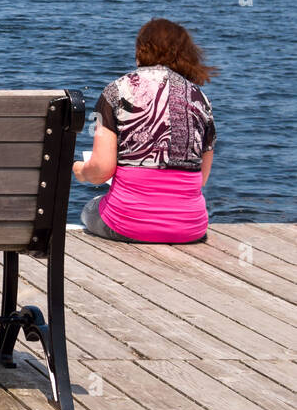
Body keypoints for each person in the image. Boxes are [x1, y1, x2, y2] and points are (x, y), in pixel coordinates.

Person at [73, 18, 216, 244]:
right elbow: (201, 179)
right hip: (190, 227)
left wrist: (80, 170)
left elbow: (101, 170)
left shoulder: (117, 91)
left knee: (89, 209)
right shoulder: (201, 98)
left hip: (127, 223)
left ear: (140, 50)